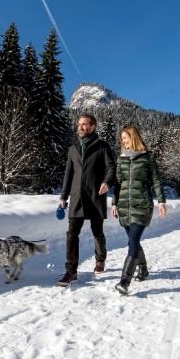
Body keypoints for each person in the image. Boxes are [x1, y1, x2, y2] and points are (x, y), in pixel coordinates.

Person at [58, 114, 116, 286]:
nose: (80, 127)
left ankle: (100, 259)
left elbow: (111, 167)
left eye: (84, 125)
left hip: (95, 195)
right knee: (72, 233)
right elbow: (68, 174)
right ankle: (71, 270)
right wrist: (63, 196)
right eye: (79, 124)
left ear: (93, 127)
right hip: (77, 197)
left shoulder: (102, 146)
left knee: (97, 231)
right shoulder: (73, 149)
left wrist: (107, 182)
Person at [111, 125, 167, 295]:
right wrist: (114, 203)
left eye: (125, 138)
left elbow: (156, 180)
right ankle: (143, 269)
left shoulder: (147, 158)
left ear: (133, 138)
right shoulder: (120, 159)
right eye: (121, 139)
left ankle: (124, 282)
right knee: (133, 241)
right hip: (124, 205)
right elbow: (118, 183)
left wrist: (162, 202)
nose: (123, 141)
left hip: (142, 204)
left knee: (133, 241)